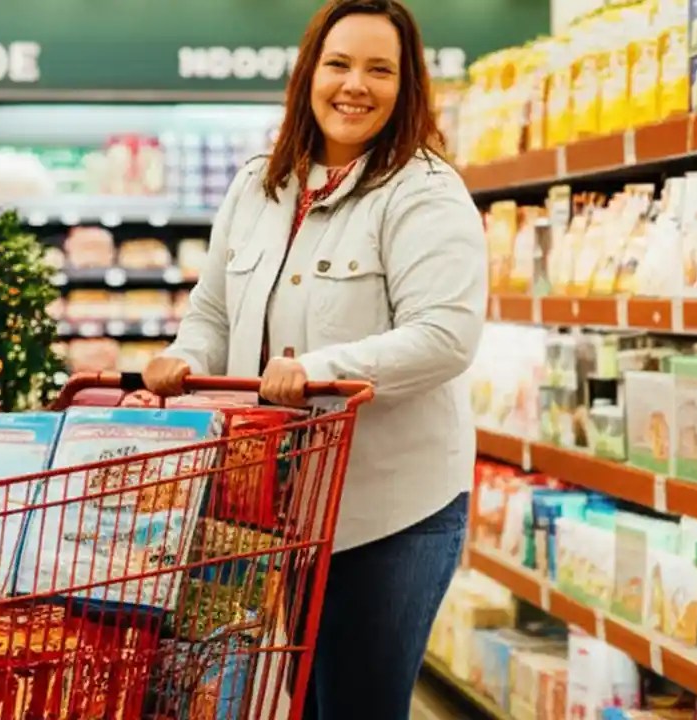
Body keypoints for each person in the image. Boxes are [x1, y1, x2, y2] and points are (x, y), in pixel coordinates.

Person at [142, 0, 486, 717]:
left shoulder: (424, 191)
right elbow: (211, 314)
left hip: (390, 510)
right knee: (292, 700)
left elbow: (446, 334)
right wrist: (179, 359)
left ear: (407, 86)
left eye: (379, 70)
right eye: (338, 64)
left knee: (357, 702)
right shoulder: (258, 186)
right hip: (273, 505)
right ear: (308, 74)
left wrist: (321, 368)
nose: (354, 85)